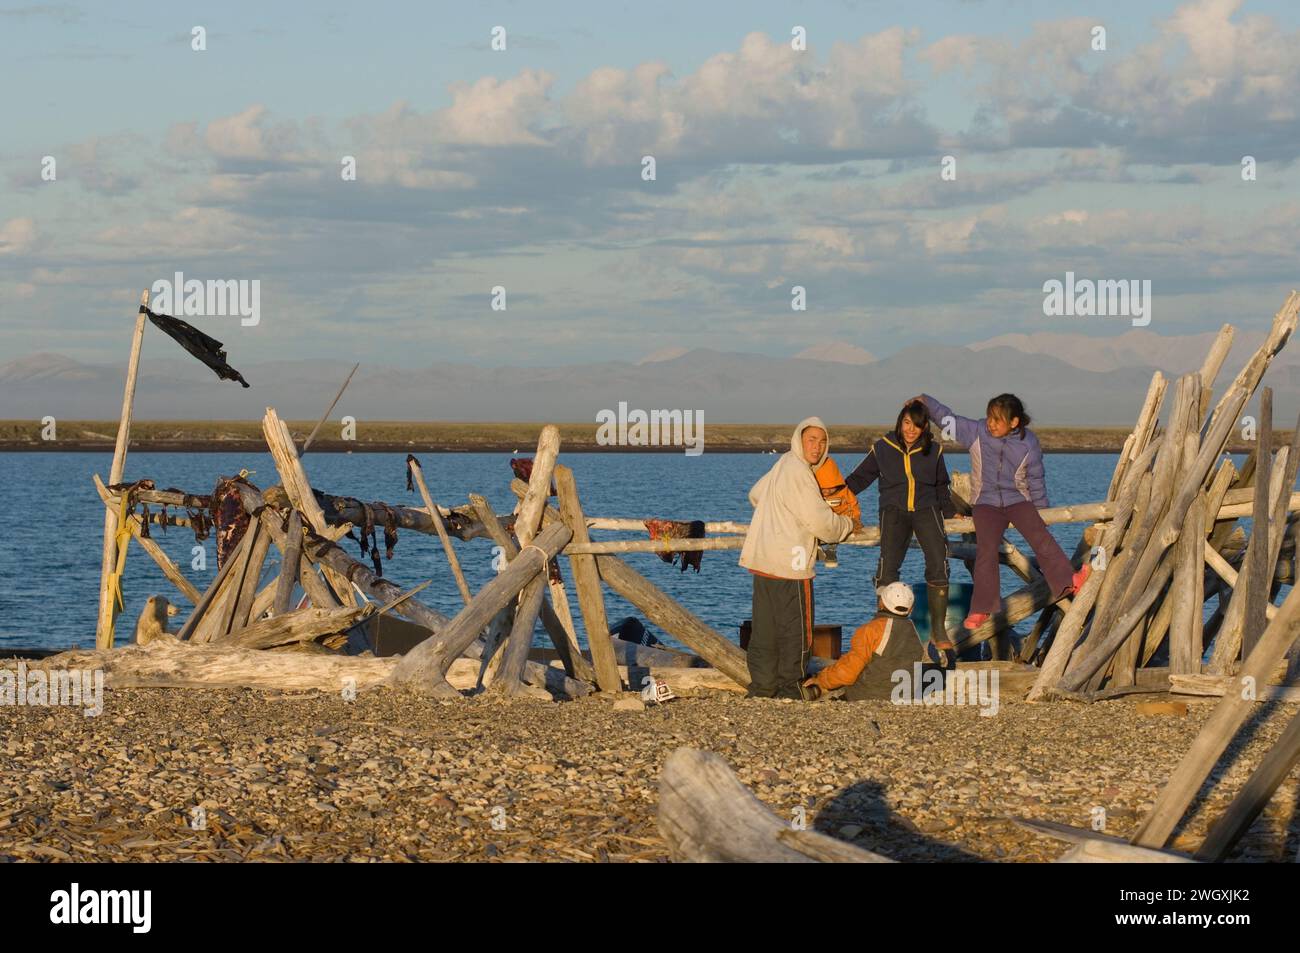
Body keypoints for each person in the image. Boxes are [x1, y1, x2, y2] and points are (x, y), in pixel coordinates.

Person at [918, 392, 1088, 630]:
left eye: (997, 419)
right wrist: (926, 402)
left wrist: (1041, 510)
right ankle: (982, 609)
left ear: (1014, 422)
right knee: (986, 551)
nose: (991, 423)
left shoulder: (1029, 443)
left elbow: (1036, 478)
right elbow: (950, 421)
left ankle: (1068, 580)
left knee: (1041, 538)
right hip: (985, 503)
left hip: (1018, 500)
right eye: (989, 417)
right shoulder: (977, 432)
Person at [740, 417, 854, 699]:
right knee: (796, 631)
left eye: (822, 441)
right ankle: (791, 688)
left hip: (764, 559)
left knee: (764, 632)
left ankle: (763, 687)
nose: (817, 447)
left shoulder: (783, 464)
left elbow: (755, 494)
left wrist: (779, 516)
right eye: (811, 440)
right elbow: (820, 522)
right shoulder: (800, 472)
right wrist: (847, 525)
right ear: (799, 440)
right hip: (791, 564)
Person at [844, 399, 956, 650]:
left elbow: (941, 486)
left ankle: (938, 631)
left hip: (927, 510)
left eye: (917, 425)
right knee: (888, 567)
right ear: (900, 421)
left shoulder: (934, 450)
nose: (910, 430)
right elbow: (860, 478)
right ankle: (882, 627)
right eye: (907, 423)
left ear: (925, 427)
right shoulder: (883, 447)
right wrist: (837, 499)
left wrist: (950, 512)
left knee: (939, 562)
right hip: (893, 511)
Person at [803, 582, 923, 700]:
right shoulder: (916, 629)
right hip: (907, 694)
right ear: (911, 609)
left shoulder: (871, 630)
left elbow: (848, 672)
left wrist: (820, 680)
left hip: (871, 694)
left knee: (828, 685)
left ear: (881, 604)